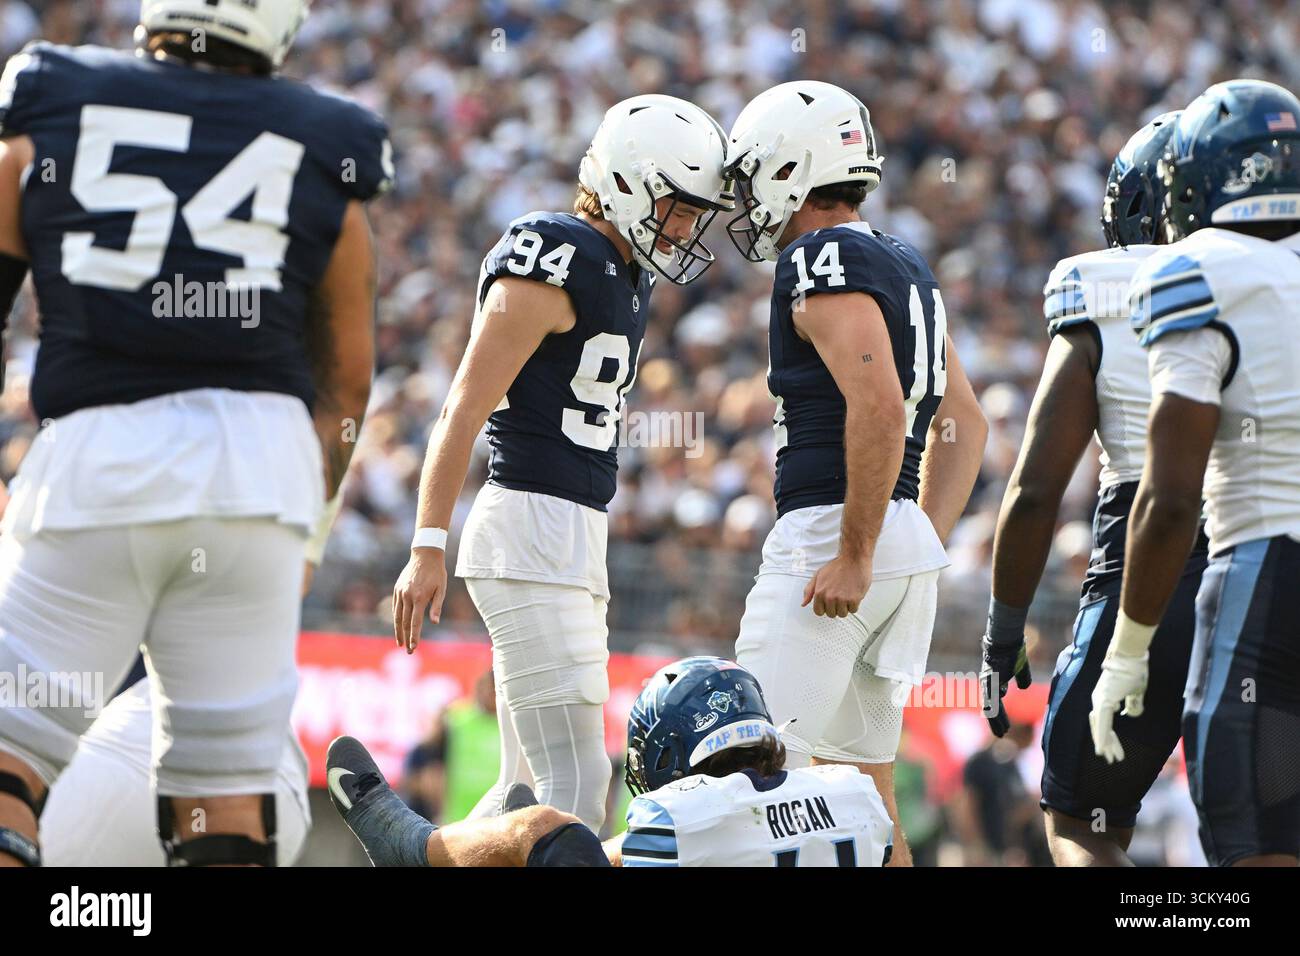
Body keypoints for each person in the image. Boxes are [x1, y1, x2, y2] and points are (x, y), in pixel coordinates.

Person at [0, 0, 389, 866]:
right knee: (225, 809)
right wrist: (301, 519)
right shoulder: (326, 146)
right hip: (260, 479)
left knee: (8, 769)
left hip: (97, 466)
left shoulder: (55, 102)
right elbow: (351, 384)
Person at [390, 95, 731, 831]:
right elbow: (463, 405)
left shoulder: (625, 272)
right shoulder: (556, 251)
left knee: (521, 791)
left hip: (574, 532)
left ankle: (412, 852)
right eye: (675, 206)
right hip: (528, 527)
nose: (682, 227)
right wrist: (426, 542)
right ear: (629, 181)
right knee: (576, 784)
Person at [725, 81, 987, 865]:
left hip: (834, 535)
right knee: (865, 802)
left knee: (745, 780)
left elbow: (879, 408)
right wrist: (909, 542)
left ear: (791, 167)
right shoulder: (904, 260)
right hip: (897, 539)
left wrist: (860, 550)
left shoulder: (821, 254)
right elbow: (965, 422)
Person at [982, 113, 1209, 866]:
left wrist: (1003, 633)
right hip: (1271, 562)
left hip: (1152, 568)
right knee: (1261, 839)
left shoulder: (1106, 290)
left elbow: (1035, 490)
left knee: (1085, 824)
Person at [1090, 79, 1300, 867]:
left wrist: (1129, 650)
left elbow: (1170, 499)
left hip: (1264, 571)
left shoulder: (1197, 272)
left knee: (1250, 847)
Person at [326, 656, 893, 867]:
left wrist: (521, 849)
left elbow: (590, 853)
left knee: (547, 829)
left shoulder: (679, 818)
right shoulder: (854, 792)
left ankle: (414, 850)